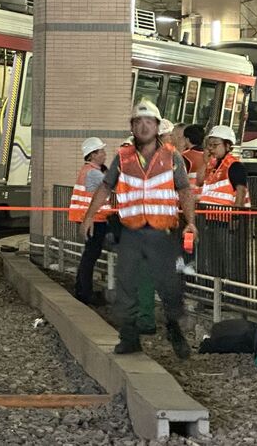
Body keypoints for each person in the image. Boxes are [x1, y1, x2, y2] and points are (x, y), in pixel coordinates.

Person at [82, 101, 196, 359]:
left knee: (169, 286)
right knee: (128, 286)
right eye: (138, 122)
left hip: (162, 230)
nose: (143, 126)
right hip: (132, 230)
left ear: (156, 127)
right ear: (132, 126)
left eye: (149, 122)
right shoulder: (123, 158)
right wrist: (90, 215)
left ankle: (174, 330)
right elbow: (105, 187)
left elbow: (184, 190)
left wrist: (190, 221)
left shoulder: (172, 156)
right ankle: (129, 337)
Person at [200, 124, 250, 280]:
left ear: (228, 145)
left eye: (215, 145)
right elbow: (200, 181)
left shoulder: (234, 166)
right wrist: (205, 161)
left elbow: (240, 193)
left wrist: (235, 217)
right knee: (214, 262)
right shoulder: (214, 166)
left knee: (230, 262)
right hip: (211, 220)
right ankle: (216, 297)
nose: (211, 149)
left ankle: (233, 298)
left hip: (227, 222)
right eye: (209, 145)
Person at [68, 137, 112, 306]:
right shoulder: (93, 173)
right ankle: (85, 293)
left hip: (88, 219)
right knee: (90, 256)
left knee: (89, 255)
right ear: (93, 155)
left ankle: (82, 290)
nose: (104, 154)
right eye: (101, 151)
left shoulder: (87, 170)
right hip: (94, 220)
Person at [174, 123, 206, 198]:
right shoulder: (210, 156)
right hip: (203, 196)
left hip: (188, 197)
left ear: (187, 139)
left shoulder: (185, 156)